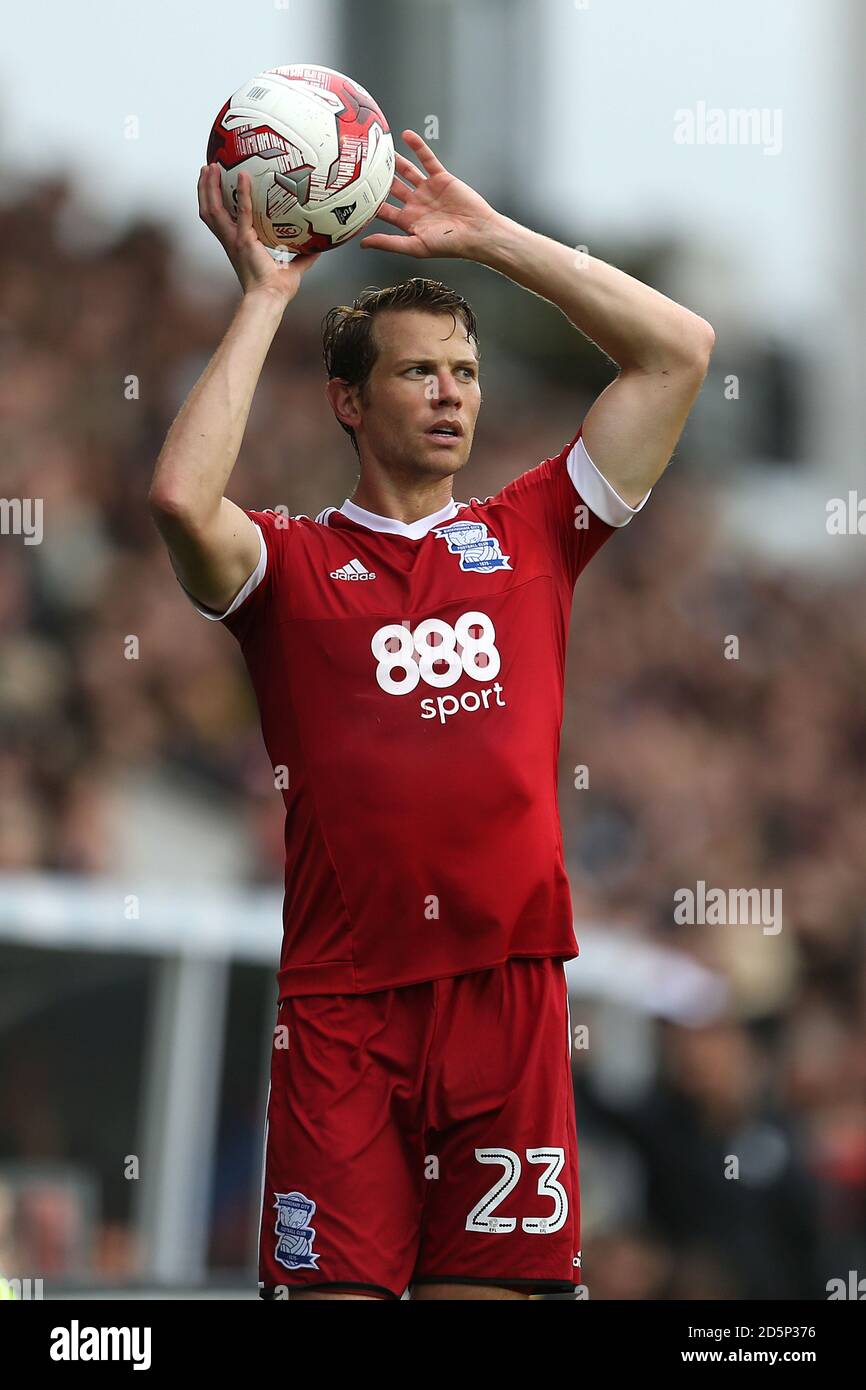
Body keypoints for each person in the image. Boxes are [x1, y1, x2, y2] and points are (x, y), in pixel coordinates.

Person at [148, 130, 714, 1301]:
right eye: (417, 372)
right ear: (348, 402)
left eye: (463, 371)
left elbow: (677, 352)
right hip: (344, 1009)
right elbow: (179, 501)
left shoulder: (531, 533)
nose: (450, 391)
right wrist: (265, 298)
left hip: (507, 994)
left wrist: (491, 240)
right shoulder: (292, 567)